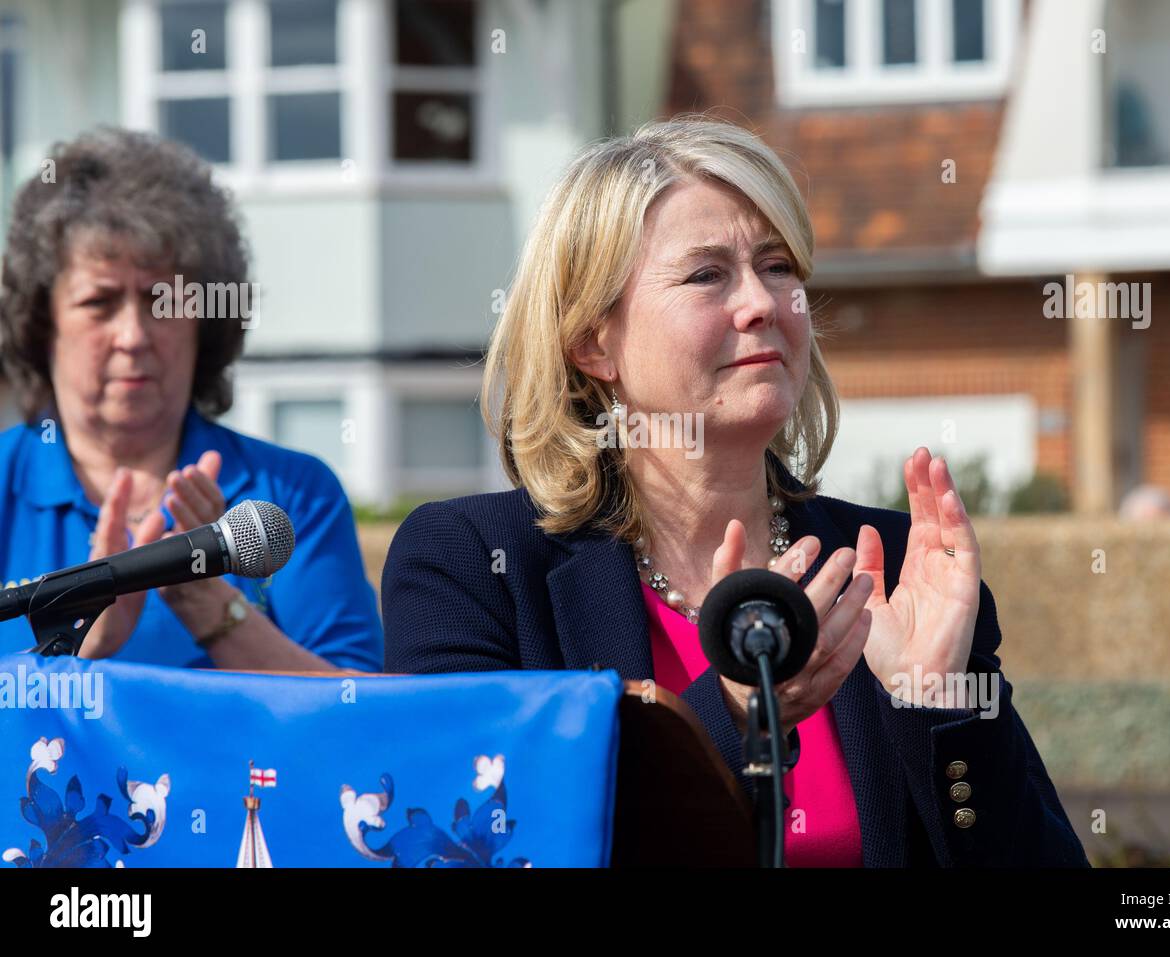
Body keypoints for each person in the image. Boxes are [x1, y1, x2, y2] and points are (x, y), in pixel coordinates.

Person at [382, 115, 1089, 866]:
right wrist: (729, 719)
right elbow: (485, 845)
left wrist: (936, 702)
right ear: (594, 342)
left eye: (778, 266)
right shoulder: (472, 565)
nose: (762, 303)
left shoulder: (890, 562)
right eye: (707, 274)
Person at [0, 127, 381, 672]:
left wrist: (208, 605)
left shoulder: (293, 494)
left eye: (163, 301)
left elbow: (361, 721)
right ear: (42, 324)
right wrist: (79, 645)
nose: (133, 335)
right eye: (99, 302)